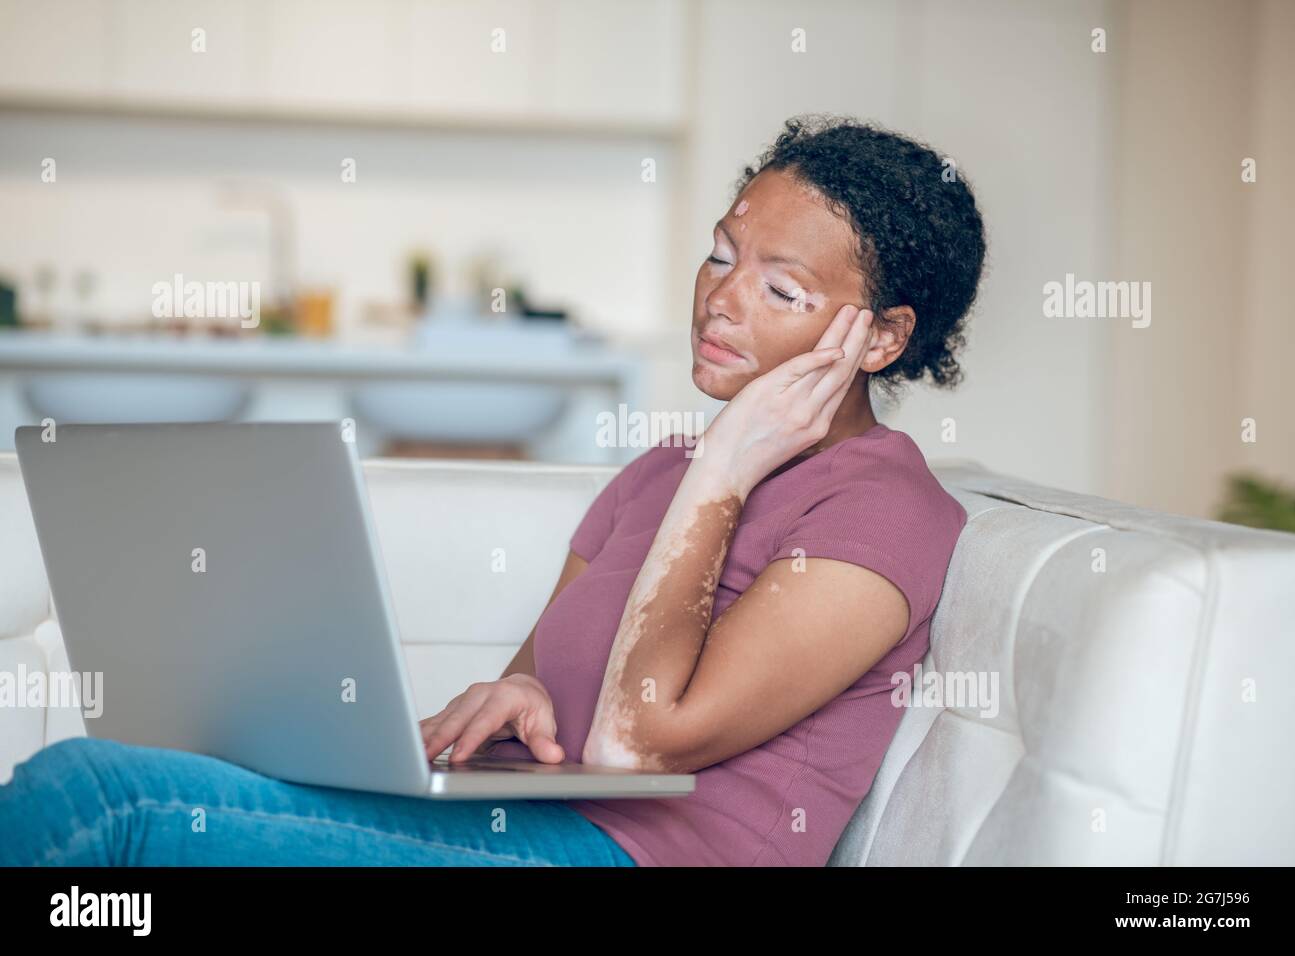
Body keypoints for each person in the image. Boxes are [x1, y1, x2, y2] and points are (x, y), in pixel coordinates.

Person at [0, 114, 985, 867]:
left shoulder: (881, 506)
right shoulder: (659, 472)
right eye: (721, 255)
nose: (721, 300)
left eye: (781, 289)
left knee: (98, 799)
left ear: (881, 337)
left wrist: (724, 470)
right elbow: (545, 696)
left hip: (628, 858)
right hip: (513, 824)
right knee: (133, 790)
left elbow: (639, 743)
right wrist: (517, 694)